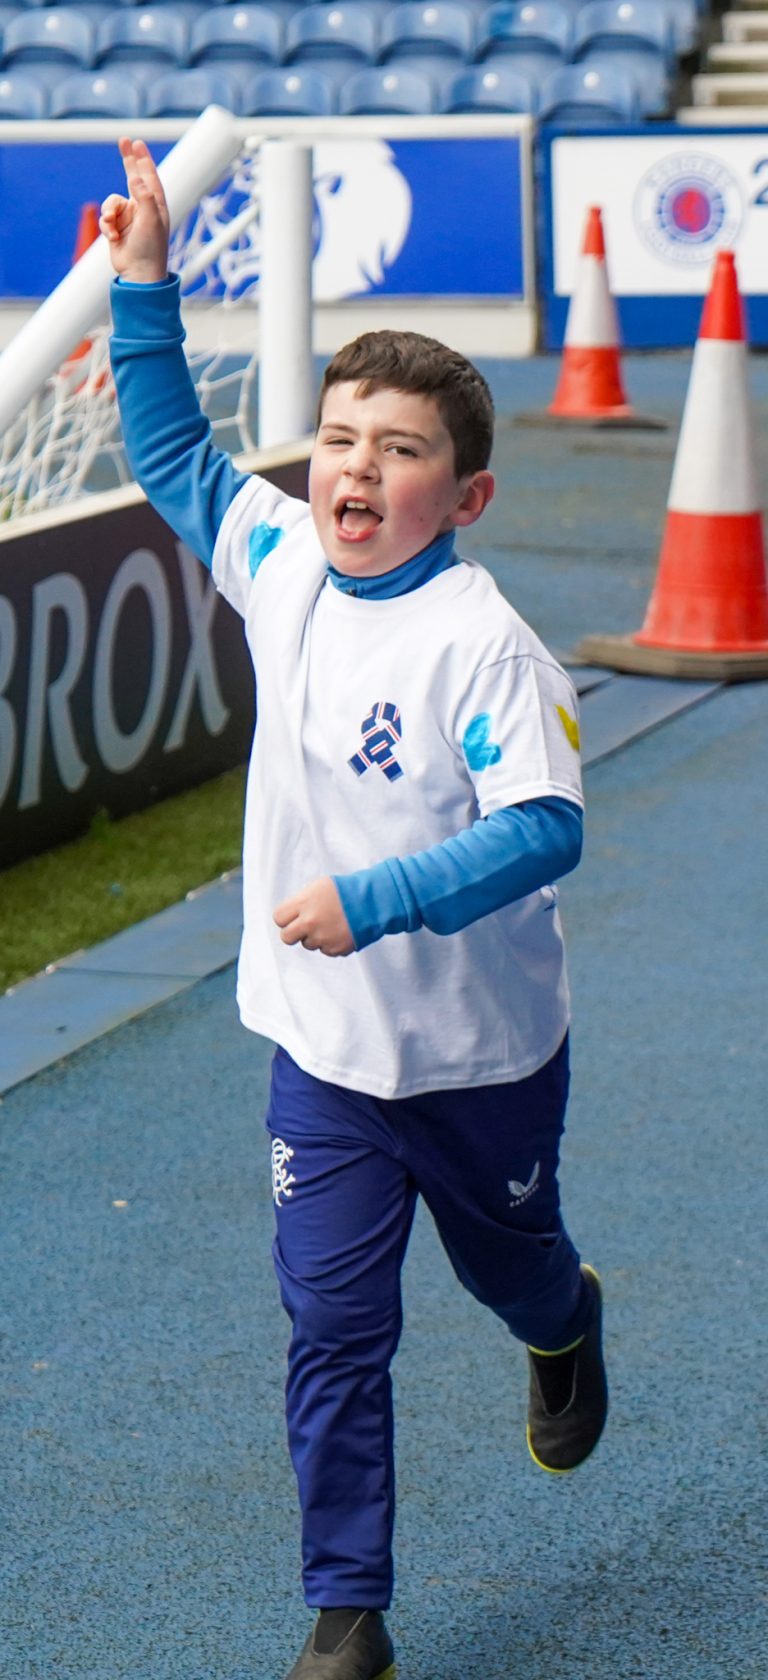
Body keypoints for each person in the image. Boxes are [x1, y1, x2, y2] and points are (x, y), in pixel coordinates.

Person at [101, 138, 608, 1680]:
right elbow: (185, 459)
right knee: (332, 1329)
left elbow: (545, 830)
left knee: (507, 1271)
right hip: (323, 1060)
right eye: (337, 438)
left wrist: (378, 897)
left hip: (481, 1058)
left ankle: (563, 1319)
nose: (355, 471)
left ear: (467, 494)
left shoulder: (487, 648)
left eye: (397, 451)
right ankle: (349, 1615)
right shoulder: (284, 561)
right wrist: (143, 281)